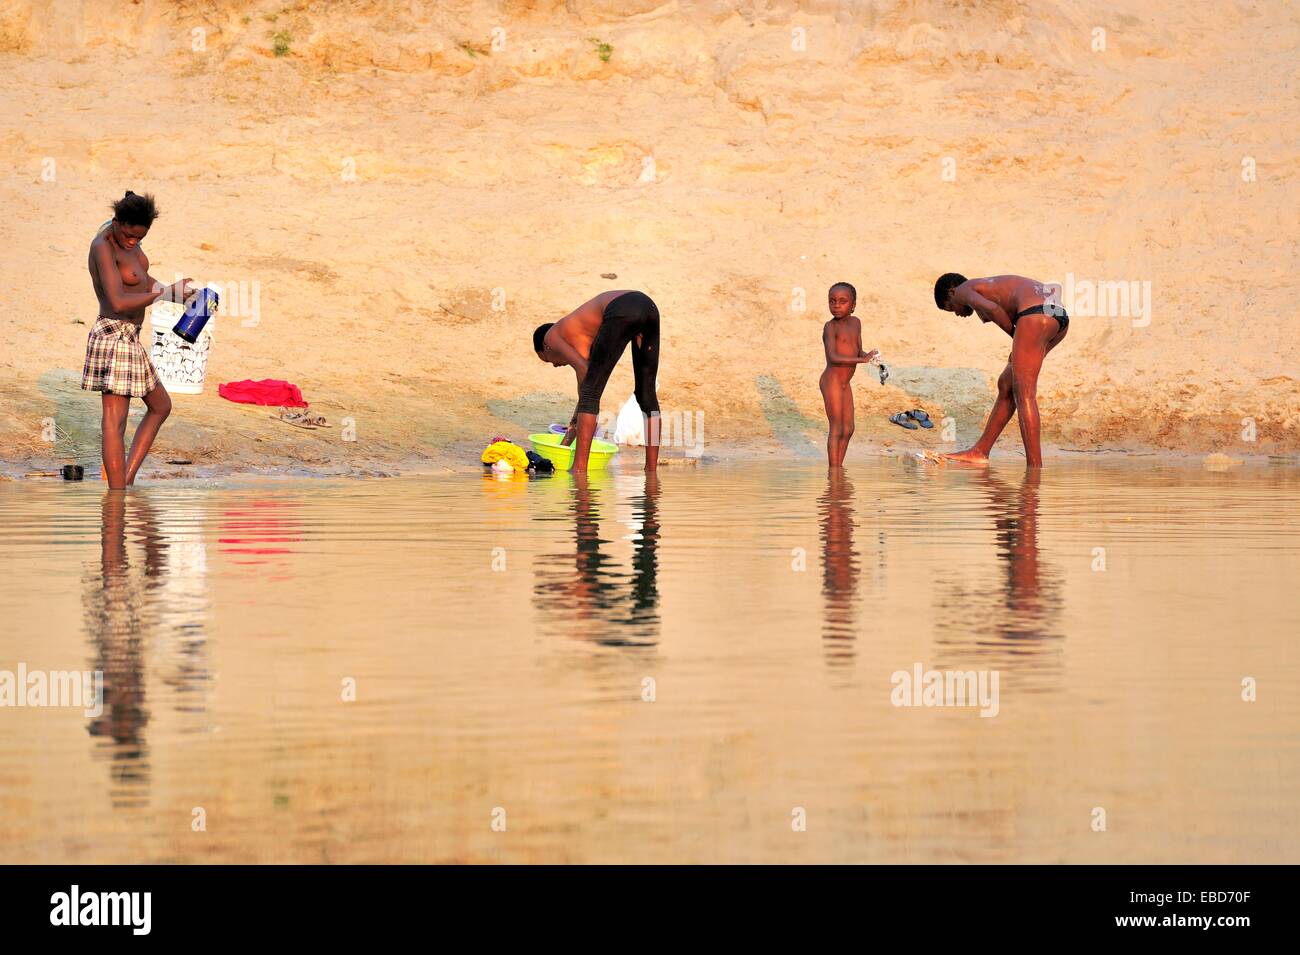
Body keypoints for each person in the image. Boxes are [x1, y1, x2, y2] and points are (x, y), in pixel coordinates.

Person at [83, 191, 192, 489]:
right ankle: (116, 498)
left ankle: (125, 483)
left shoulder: (130, 243)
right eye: (129, 236)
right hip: (113, 335)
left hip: (131, 338)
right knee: (115, 421)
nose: (133, 242)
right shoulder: (103, 246)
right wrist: (164, 294)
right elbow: (118, 301)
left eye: (139, 238)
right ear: (117, 222)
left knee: (161, 406)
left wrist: (176, 293)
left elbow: (141, 280)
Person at [932, 273, 1069, 468]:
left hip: (1036, 315)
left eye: (952, 308)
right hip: (1059, 317)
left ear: (952, 293)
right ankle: (980, 451)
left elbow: (993, 308)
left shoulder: (963, 290)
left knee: (1025, 394)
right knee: (1006, 384)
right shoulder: (989, 286)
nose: (957, 313)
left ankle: (1034, 470)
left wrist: (1017, 336)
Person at [533, 290, 660, 473]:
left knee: (590, 395)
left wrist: (577, 416)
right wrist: (567, 441)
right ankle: (651, 471)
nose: (553, 365)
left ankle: (578, 470)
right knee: (646, 395)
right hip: (647, 306)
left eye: (546, 359)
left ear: (546, 347)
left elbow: (585, 374)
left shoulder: (550, 337)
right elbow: (584, 380)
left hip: (622, 307)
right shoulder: (579, 336)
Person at [820, 282, 878, 467]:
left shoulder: (856, 323)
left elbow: (857, 350)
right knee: (836, 428)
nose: (836, 305)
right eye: (832, 301)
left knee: (849, 428)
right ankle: (834, 470)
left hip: (845, 383)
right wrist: (862, 360)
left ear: (853, 305)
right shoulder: (830, 327)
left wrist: (870, 357)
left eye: (842, 301)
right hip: (832, 382)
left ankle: (838, 468)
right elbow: (833, 357)